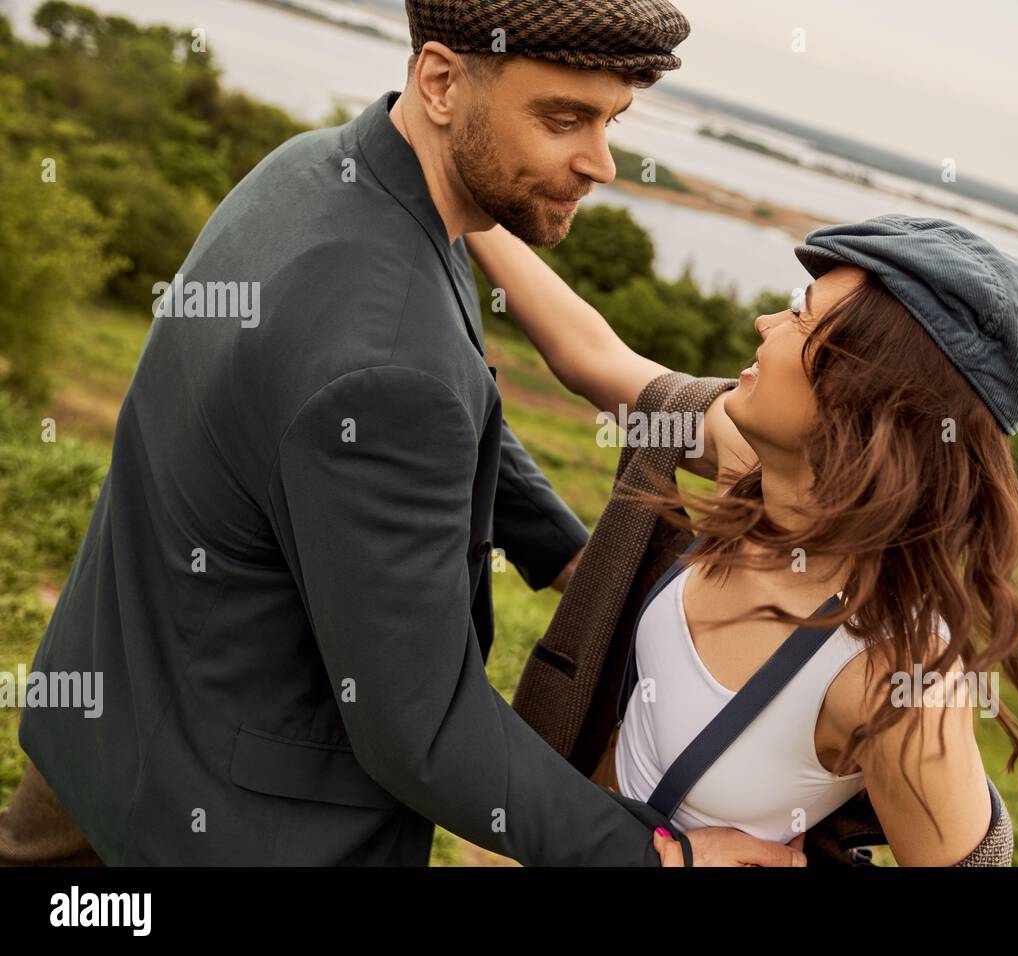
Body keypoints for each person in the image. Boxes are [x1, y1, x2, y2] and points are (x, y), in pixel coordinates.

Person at [1, 0, 806, 867]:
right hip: (227, 826)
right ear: (441, 81)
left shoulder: (320, 171)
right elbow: (424, 731)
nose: (601, 162)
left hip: (106, 736)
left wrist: (567, 553)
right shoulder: (388, 347)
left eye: (612, 121)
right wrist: (660, 857)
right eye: (562, 118)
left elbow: (413, 421)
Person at [467, 213, 1018, 865]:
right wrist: (466, 207)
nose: (766, 323)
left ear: (864, 391)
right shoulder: (750, 470)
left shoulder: (894, 671)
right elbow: (592, 356)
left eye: (799, 315)